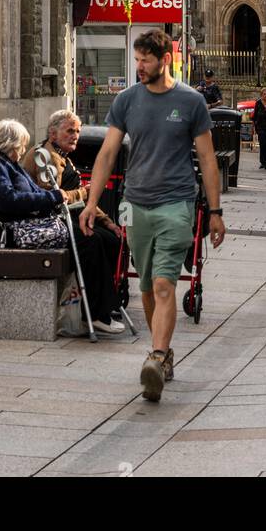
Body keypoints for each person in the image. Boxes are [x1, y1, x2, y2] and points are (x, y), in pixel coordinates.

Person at [81, 29, 226, 402]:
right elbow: (107, 153)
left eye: (146, 60)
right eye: (137, 60)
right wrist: (92, 202)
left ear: (165, 60)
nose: (139, 66)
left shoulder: (191, 102)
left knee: (165, 284)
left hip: (176, 202)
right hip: (135, 203)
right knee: (146, 286)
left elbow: (208, 159)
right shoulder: (127, 101)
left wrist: (215, 211)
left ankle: (157, 355)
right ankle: (162, 354)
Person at [22, 109, 125, 334]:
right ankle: (96, 314)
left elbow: (85, 199)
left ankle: (105, 303)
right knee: (91, 240)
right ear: (53, 133)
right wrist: (82, 193)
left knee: (111, 238)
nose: (75, 135)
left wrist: (107, 221)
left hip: (67, 218)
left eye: (77, 131)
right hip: (48, 224)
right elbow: (53, 197)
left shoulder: (63, 156)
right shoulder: (45, 156)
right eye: (69, 131)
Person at [0, 118, 66, 243]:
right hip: (16, 229)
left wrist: (54, 199)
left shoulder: (7, 162)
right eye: (23, 145)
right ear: (13, 144)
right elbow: (8, 200)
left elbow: (35, 190)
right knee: (85, 238)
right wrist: (52, 197)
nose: (23, 150)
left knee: (87, 232)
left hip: (27, 223)